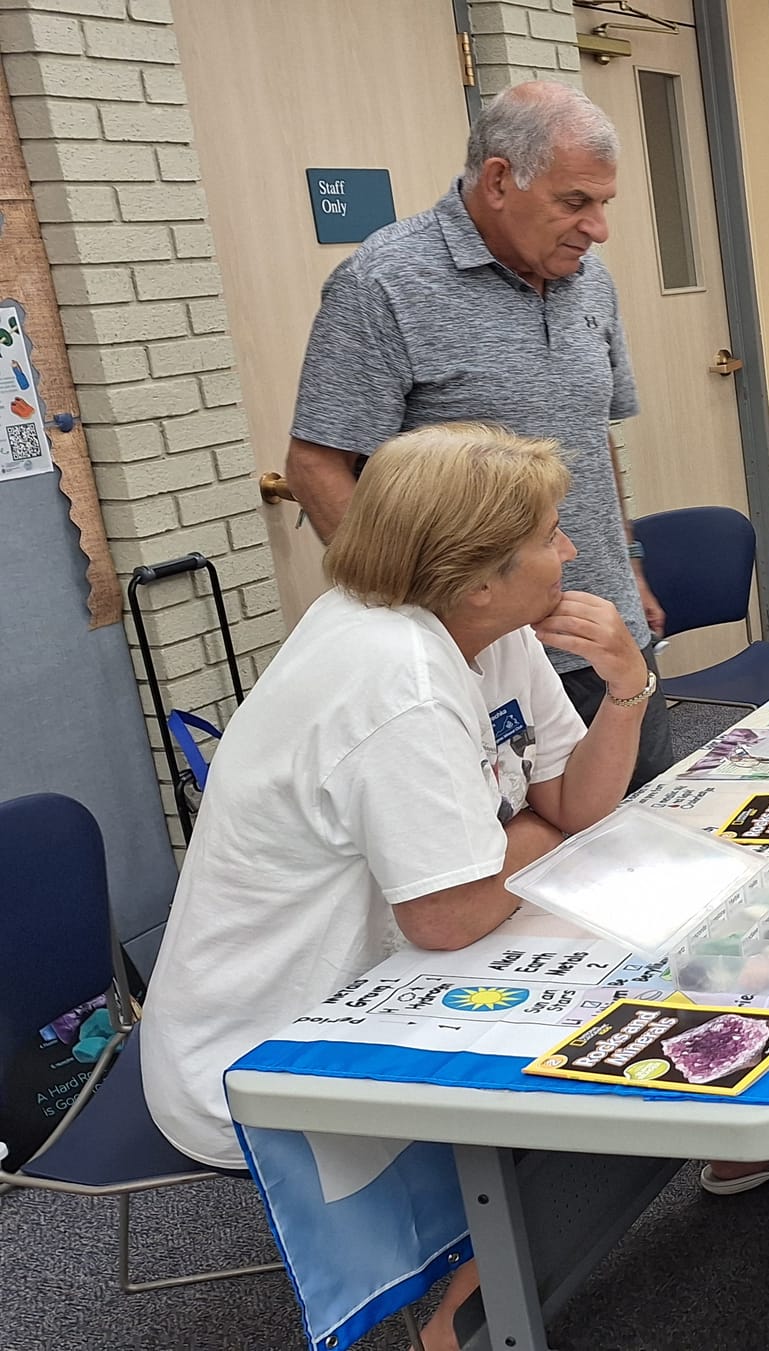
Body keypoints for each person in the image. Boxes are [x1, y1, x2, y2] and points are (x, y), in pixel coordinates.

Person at [140, 423, 651, 1351]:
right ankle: (465, 1322)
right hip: (259, 1046)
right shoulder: (395, 673)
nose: (571, 551)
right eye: (548, 535)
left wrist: (626, 688)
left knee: (628, 984)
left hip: (380, 967)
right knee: (589, 1048)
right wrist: (537, 833)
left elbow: (574, 809)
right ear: (476, 575)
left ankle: (489, 1291)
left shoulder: (483, 630)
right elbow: (450, 915)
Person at [280, 80, 677, 787]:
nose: (598, 228)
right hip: (486, 666)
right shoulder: (383, 284)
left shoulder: (591, 282)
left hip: (606, 635)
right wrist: (418, 612)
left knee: (645, 843)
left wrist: (630, 560)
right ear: (499, 180)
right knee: (514, 874)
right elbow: (316, 464)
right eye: (575, 201)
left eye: (604, 204)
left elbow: (590, 434)